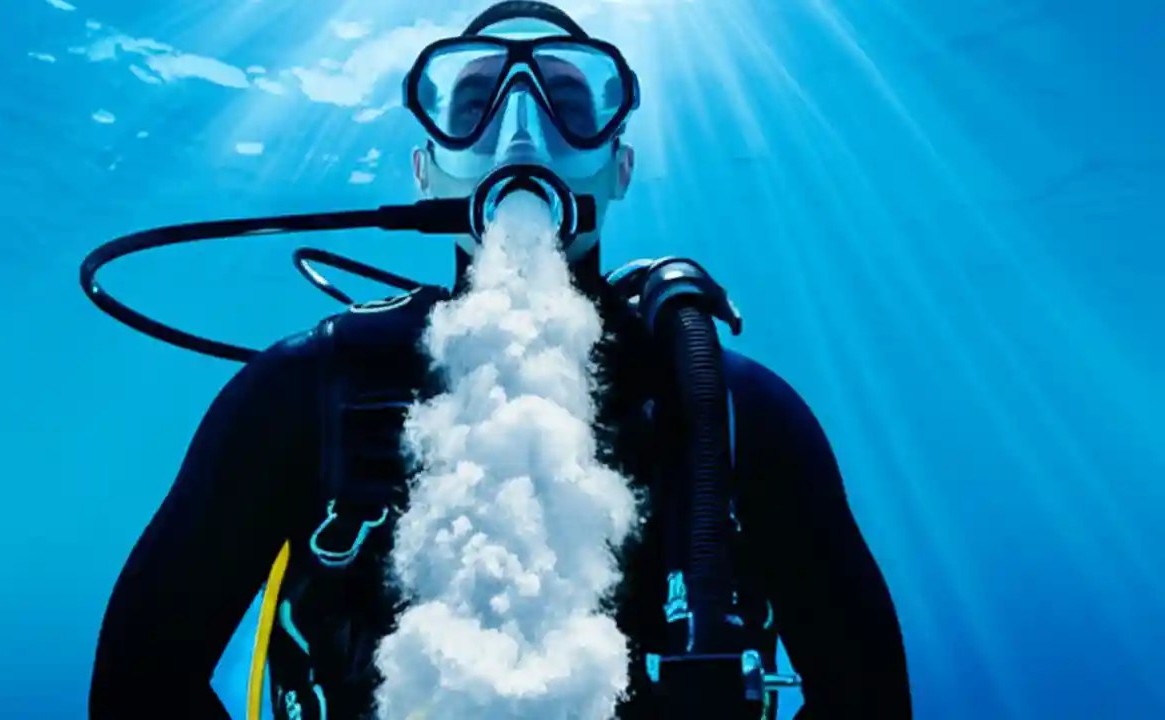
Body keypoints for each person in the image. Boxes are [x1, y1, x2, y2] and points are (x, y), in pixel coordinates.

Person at [88, 2, 912, 718]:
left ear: (617, 166)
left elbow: (869, 701)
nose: (523, 132)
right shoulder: (302, 392)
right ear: (426, 171)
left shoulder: (734, 415)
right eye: (474, 101)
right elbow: (138, 687)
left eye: (569, 100)